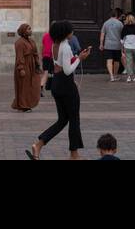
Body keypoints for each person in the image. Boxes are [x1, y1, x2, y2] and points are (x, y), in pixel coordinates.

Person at [26, 21, 90, 160]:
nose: (72, 32)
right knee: (74, 120)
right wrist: (80, 58)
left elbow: (60, 65)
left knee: (62, 120)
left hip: (57, 83)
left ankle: (38, 144)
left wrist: (76, 58)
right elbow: (68, 70)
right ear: (65, 33)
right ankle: (74, 155)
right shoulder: (65, 46)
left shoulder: (56, 44)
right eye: (71, 30)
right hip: (66, 86)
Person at [12, 23, 42, 111]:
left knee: (32, 85)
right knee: (23, 87)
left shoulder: (32, 41)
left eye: (30, 29)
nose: (30, 30)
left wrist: (37, 65)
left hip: (32, 66)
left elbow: (35, 53)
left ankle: (27, 103)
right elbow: (19, 56)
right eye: (28, 29)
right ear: (23, 31)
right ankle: (23, 105)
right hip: (24, 66)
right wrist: (21, 68)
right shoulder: (19, 43)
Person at [101, 10, 124, 82]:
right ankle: (115, 75)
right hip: (117, 44)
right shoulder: (120, 23)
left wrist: (101, 44)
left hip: (108, 45)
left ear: (110, 15)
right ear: (116, 15)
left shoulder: (106, 23)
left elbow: (102, 34)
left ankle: (111, 76)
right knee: (117, 61)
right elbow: (123, 35)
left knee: (109, 60)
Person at [121, 16, 135, 85]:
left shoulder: (125, 27)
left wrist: (122, 47)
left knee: (129, 61)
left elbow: (122, 37)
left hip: (127, 46)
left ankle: (129, 76)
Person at [41, 27, 54, 93]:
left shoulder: (45, 35)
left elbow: (43, 46)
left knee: (45, 73)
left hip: (45, 56)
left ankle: (42, 86)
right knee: (52, 73)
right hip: (51, 57)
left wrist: (42, 55)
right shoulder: (55, 36)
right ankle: (50, 87)